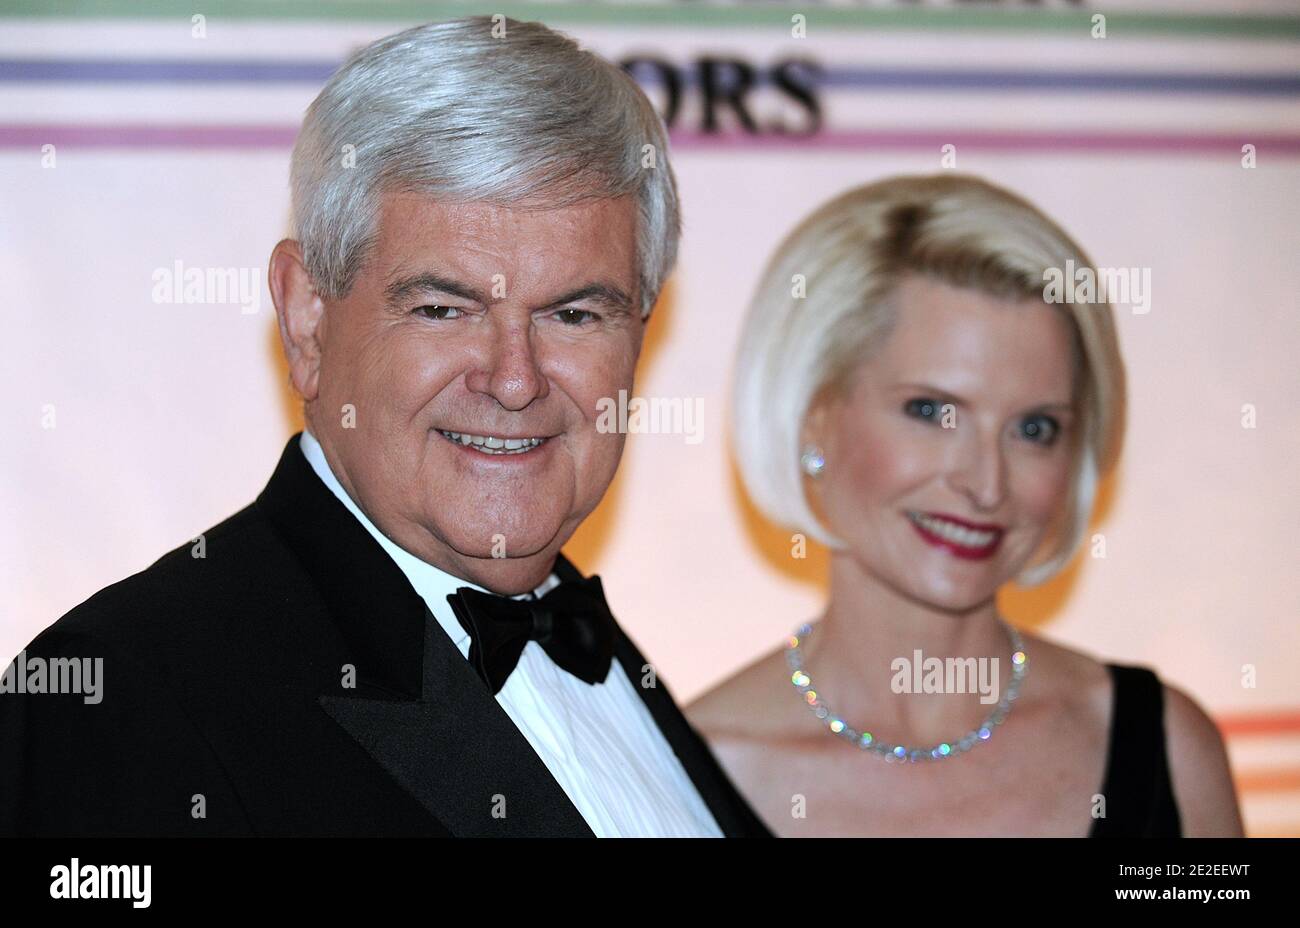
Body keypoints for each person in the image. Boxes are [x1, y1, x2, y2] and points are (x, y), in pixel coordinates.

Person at [0, 16, 770, 838]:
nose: (515, 380)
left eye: (575, 314)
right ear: (306, 318)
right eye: (443, 308)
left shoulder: (599, 654)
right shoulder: (117, 700)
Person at [686, 174, 1244, 837]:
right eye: (932, 411)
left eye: (1035, 429)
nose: (987, 484)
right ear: (813, 418)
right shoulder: (693, 777)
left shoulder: (1164, 751)